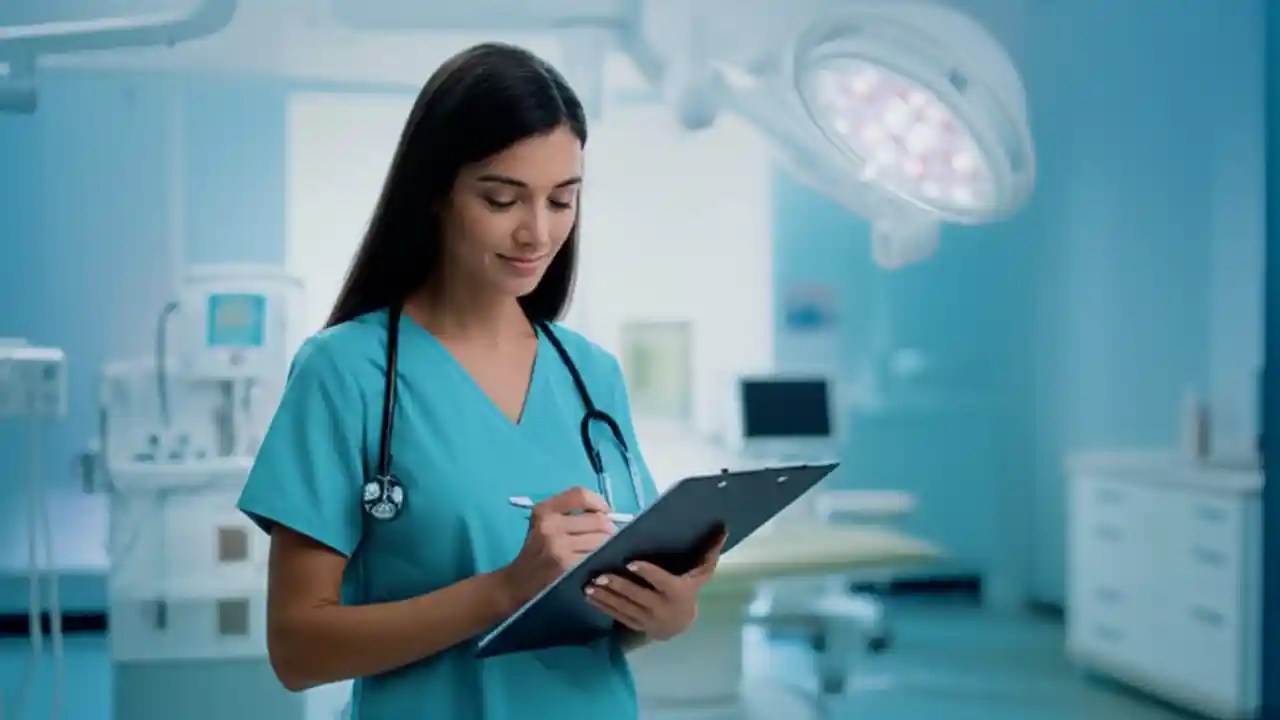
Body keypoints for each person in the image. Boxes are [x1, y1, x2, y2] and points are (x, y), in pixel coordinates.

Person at [235, 42, 726, 719]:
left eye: (562, 200)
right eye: (502, 199)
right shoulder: (346, 373)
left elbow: (600, 622)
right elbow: (297, 649)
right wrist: (503, 590)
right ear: (434, 192)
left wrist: (664, 613)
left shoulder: (591, 377)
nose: (537, 232)